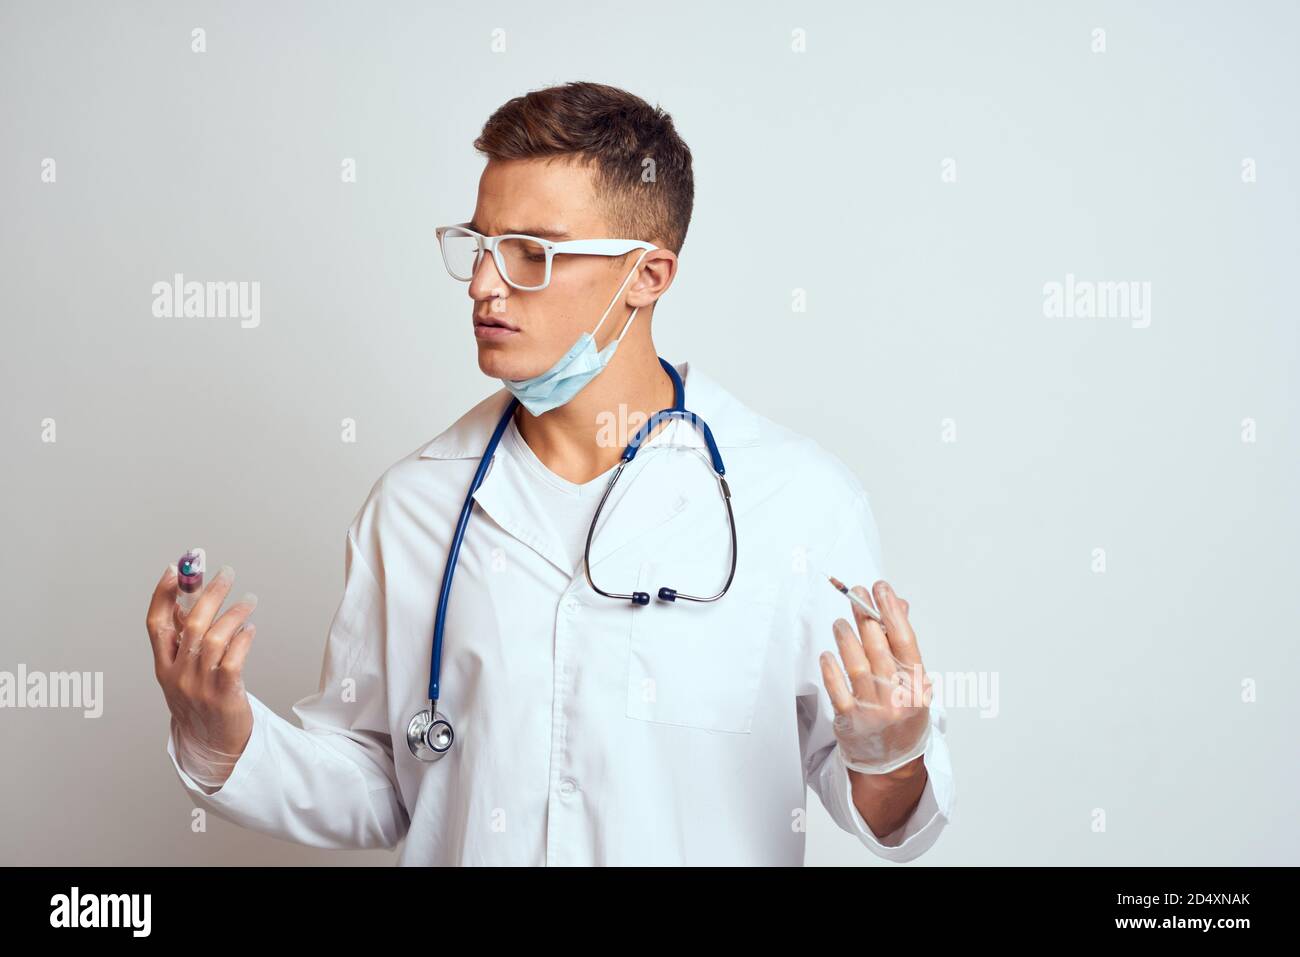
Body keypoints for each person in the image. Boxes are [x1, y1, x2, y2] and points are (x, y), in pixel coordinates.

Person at [144, 81, 955, 866]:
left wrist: (895, 751)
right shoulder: (416, 505)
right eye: (479, 245)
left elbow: (885, 810)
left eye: (532, 252)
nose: (485, 283)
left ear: (648, 275)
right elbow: (385, 783)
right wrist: (226, 737)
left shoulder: (795, 503)